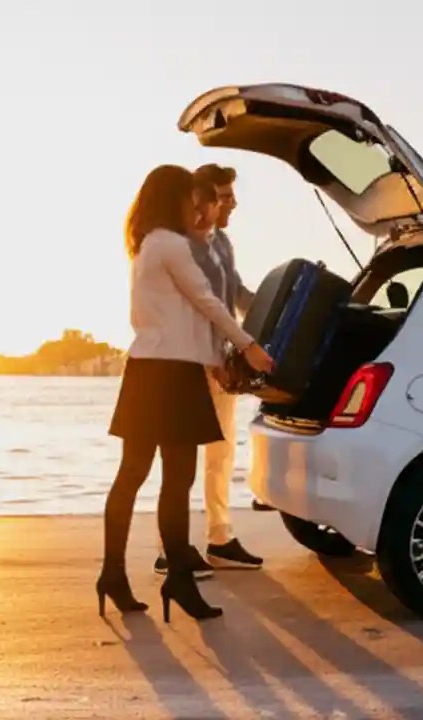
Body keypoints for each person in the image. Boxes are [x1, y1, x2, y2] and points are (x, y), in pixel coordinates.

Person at [96, 164, 273, 623]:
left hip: (145, 372)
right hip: (171, 377)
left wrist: (214, 357)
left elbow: (185, 314)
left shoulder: (145, 245)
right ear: (173, 198)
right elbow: (207, 302)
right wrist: (248, 346)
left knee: (132, 476)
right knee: (176, 482)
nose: (197, 206)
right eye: (191, 198)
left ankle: (115, 574)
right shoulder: (173, 245)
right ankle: (176, 579)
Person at [153, 164, 263, 576]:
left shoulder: (224, 244)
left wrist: (275, 308)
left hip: (222, 368)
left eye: (232, 195)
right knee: (178, 459)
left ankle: (220, 539)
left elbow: (235, 295)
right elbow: (191, 307)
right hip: (186, 364)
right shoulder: (178, 244)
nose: (232, 202)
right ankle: (170, 546)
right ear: (202, 199)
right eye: (225, 195)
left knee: (221, 454)